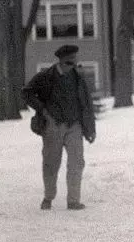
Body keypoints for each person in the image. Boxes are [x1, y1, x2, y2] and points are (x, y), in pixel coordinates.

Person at [22, 44, 96, 210]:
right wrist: (42, 109)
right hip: (53, 125)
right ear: (61, 62)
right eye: (70, 63)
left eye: (75, 62)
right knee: (51, 163)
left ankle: (73, 200)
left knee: (77, 162)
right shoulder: (45, 77)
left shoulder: (78, 77)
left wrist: (90, 129)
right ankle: (48, 197)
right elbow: (26, 92)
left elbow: (87, 104)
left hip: (75, 125)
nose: (74, 66)